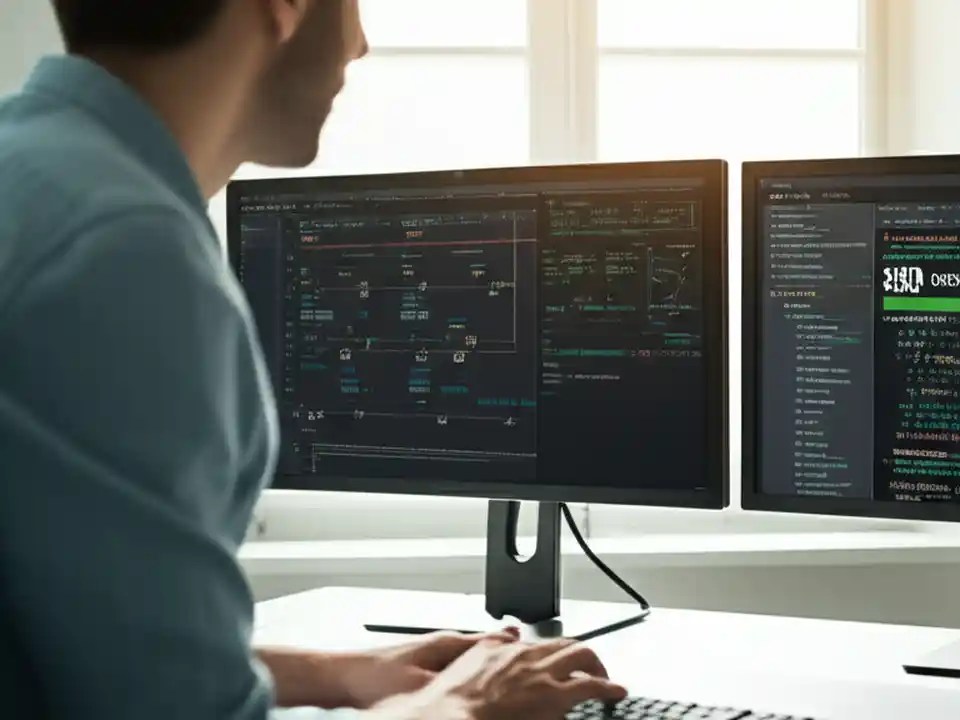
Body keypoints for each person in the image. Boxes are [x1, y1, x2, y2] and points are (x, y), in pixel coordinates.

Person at [0, 1, 628, 718]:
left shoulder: (31, 170)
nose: (360, 46)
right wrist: (467, 707)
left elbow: (80, 638)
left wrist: (337, 673)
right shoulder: (124, 249)